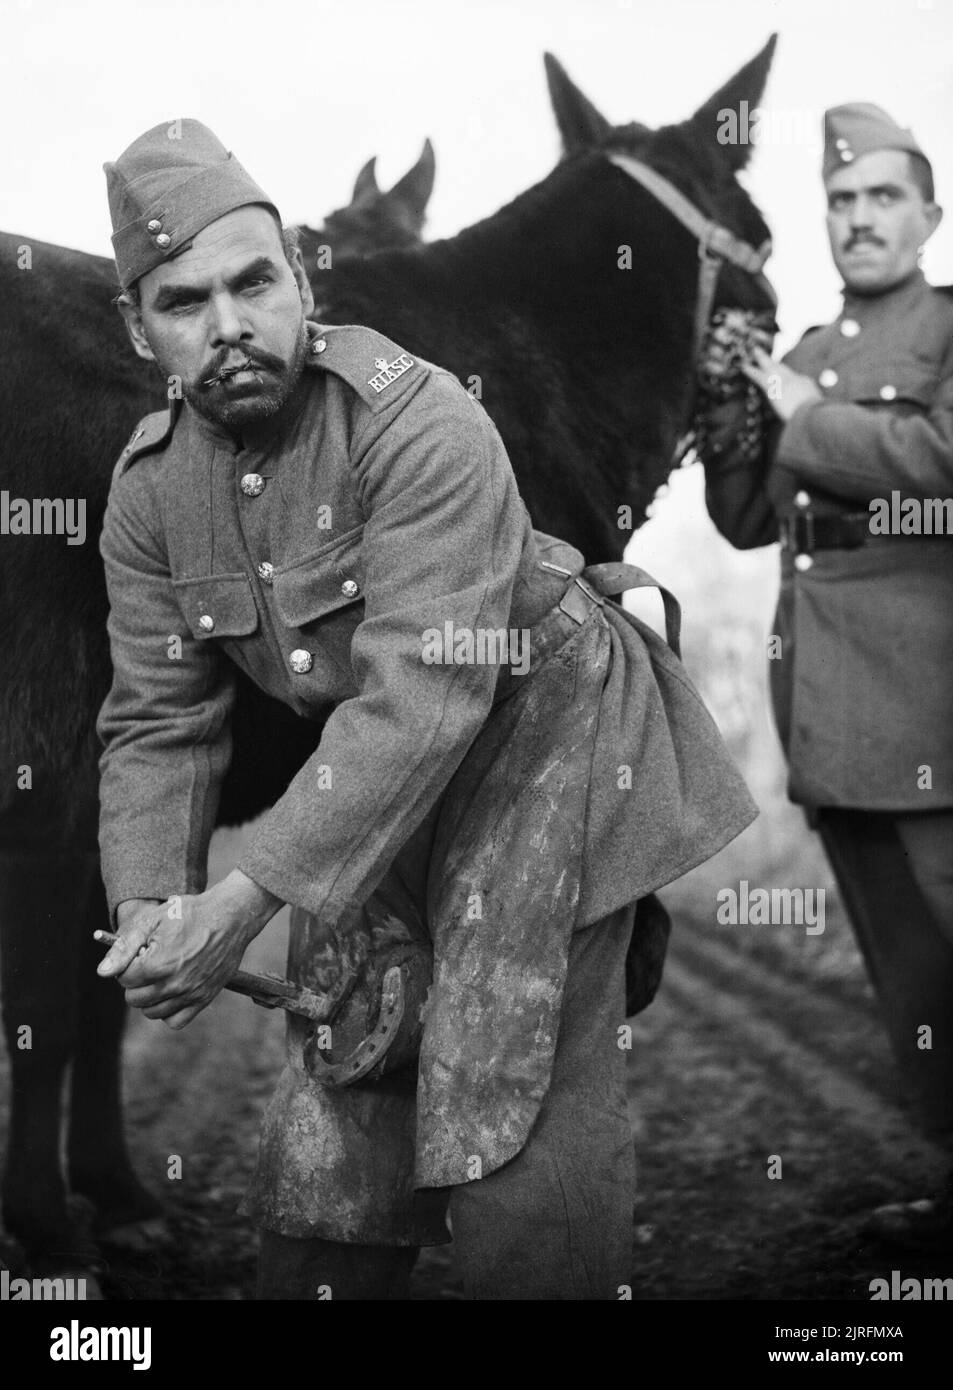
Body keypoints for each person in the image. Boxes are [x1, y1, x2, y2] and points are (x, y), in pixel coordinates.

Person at [94, 119, 756, 1299]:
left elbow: (426, 692)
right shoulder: (148, 495)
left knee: (508, 1106)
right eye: (184, 302)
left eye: (255, 282)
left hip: (541, 738)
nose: (230, 324)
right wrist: (150, 904)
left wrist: (237, 908)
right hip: (370, 773)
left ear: (301, 276)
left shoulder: (420, 417)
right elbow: (156, 719)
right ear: (139, 330)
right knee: (342, 1102)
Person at [698, 103, 953, 1250]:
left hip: (929, 703)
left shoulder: (942, 333)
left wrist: (803, 414)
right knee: (911, 990)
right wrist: (724, 408)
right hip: (831, 713)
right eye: (842, 202)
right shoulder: (798, 352)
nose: (858, 220)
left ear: (928, 216)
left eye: (882, 198)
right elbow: (748, 517)